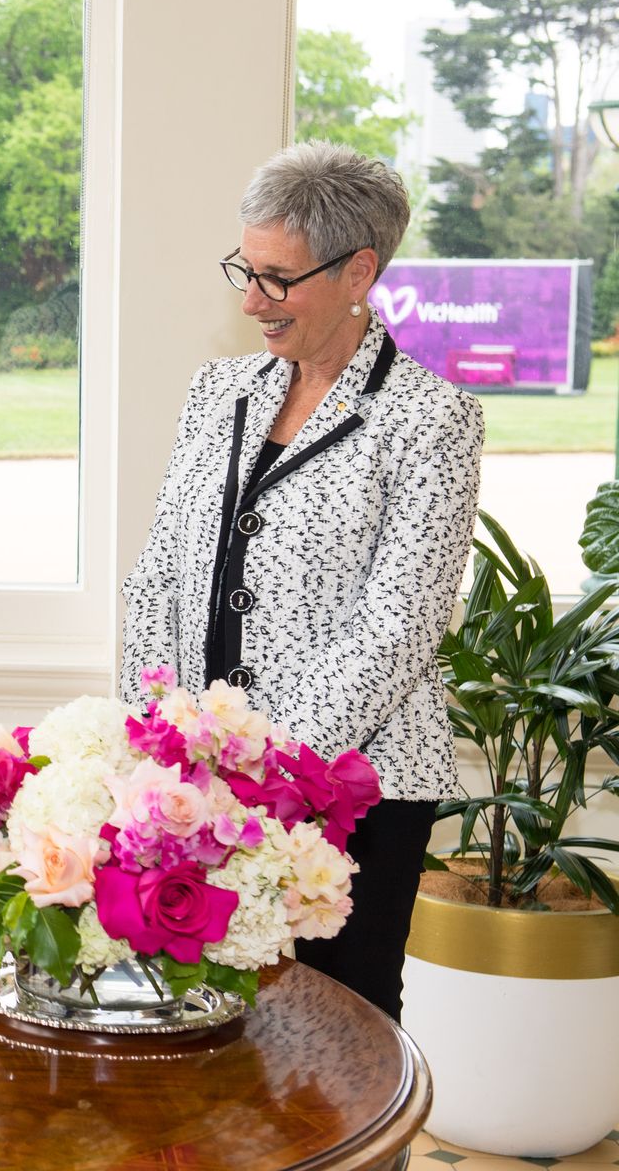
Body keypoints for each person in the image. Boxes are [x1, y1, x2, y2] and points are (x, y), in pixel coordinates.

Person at [119, 140, 484, 1022]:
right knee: (197, 1027)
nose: (251, 299)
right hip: (192, 784)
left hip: (352, 793)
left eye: (278, 278)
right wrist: (154, 751)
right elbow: (157, 581)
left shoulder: (433, 419)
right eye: (245, 268)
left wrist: (262, 774)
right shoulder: (218, 392)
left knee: (334, 1045)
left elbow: (397, 629)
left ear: (360, 271)